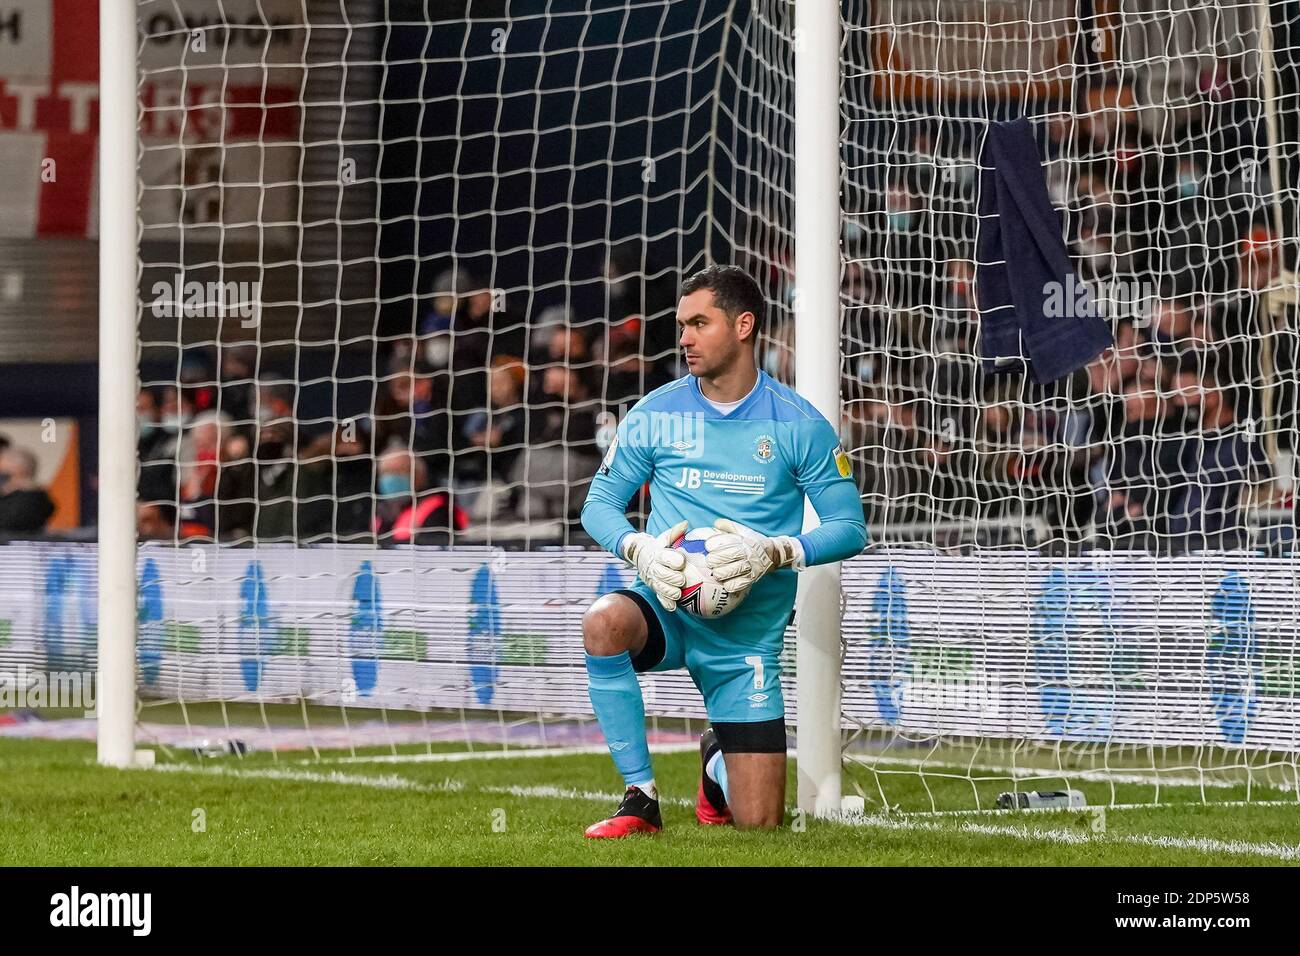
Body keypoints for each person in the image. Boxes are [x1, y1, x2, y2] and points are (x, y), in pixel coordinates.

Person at [579, 265, 868, 837]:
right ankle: (639, 797)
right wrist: (637, 547)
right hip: (668, 605)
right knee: (603, 622)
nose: (684, 337)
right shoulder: (655, 414)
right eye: (681, 324)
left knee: (758, 825)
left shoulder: (799, 424)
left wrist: (777, 551)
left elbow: (849, 527)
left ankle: (716, 765)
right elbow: (598, 506)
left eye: (699, 324)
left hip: (745, 640)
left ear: (743, 325)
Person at [0, 447, 55, 533]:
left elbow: (11, 522)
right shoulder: (8, 496)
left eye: (4, 473)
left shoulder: (31, 499)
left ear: (20, 472)